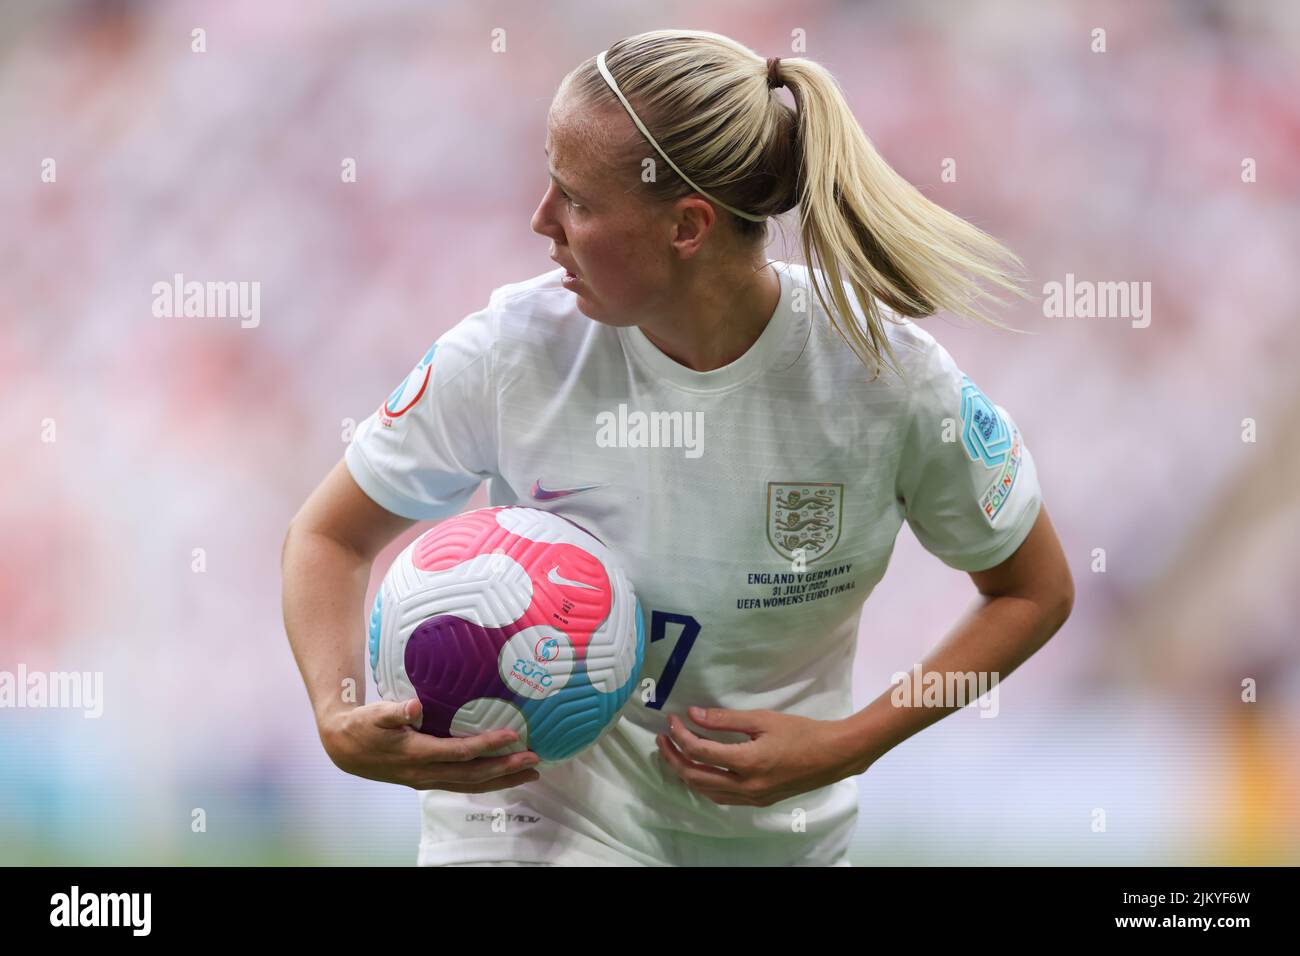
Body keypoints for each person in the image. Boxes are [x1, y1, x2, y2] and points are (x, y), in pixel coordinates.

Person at [282, 28, 1074, 866]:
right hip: (529, 827)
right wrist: (338, 714)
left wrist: (850, 742)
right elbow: (328, 536)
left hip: (768, 844)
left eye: (577, 201)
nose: (540, 221)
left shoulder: (886, 381)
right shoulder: (511, 351)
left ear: (687, 227)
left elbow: (1033, 590)